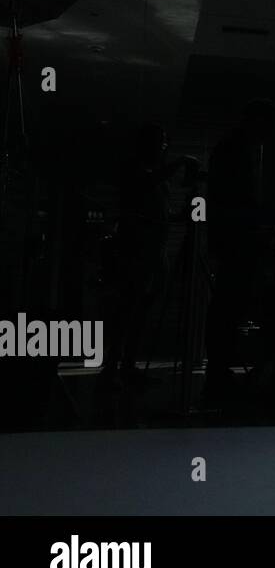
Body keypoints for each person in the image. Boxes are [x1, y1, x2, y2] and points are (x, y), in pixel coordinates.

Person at [105, 124, 196, 385]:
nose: (162, 147)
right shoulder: (134, 170)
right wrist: (179, 163)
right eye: (159, 142)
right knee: (127, 308)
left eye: (164, 143)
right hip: (135, 249)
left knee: (141, 310)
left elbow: (165, 216)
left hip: (155, 250)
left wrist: (186, 209)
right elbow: (143, 186)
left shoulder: (159, 179)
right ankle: (114, 364)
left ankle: (127, 363)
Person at [202, 99, 275, 405]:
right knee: (228, 307)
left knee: (227, 308)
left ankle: (219, 372)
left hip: (231, 239)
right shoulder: (237, 152)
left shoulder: (233, 149)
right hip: (237, 241)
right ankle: (219, 373)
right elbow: (240, 199)